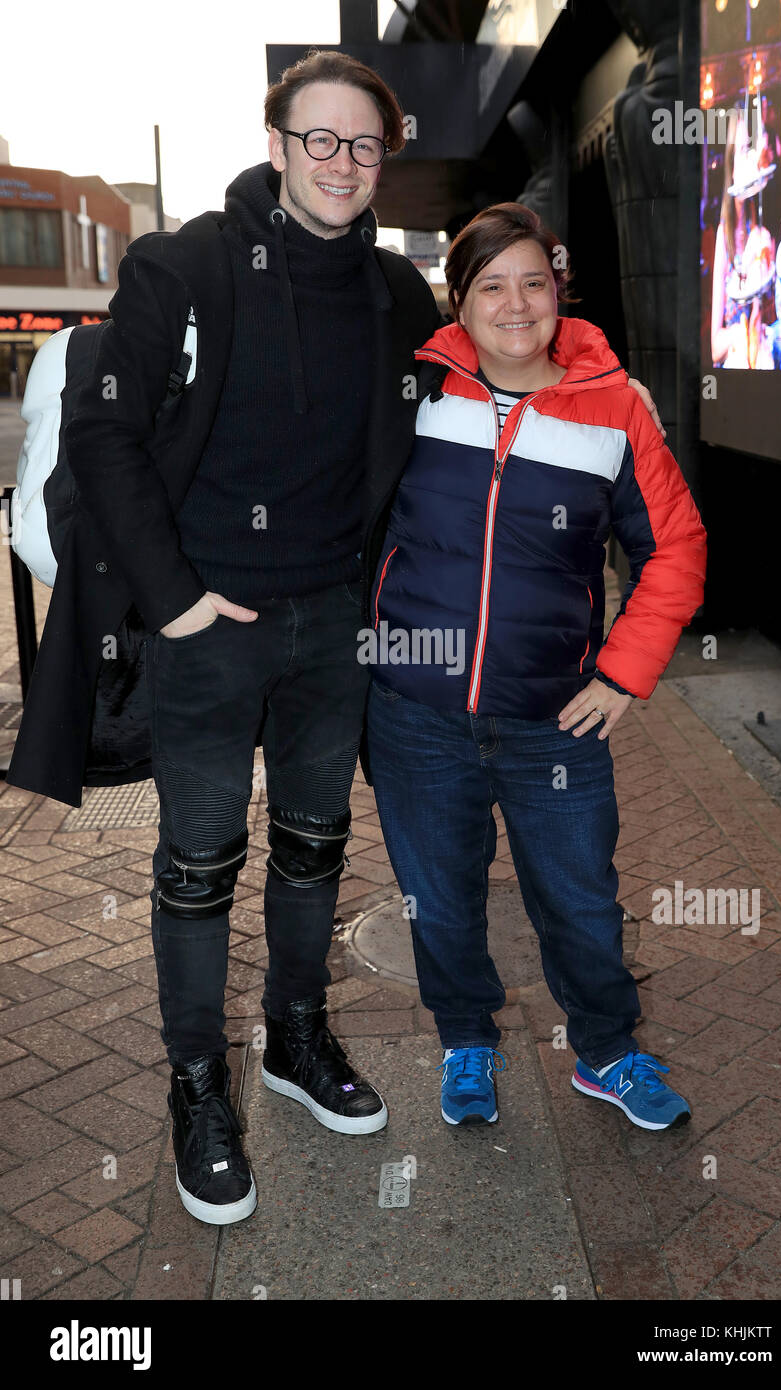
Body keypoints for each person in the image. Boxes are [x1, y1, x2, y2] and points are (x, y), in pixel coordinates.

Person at [8, 52, 664, 1225]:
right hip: (205, 627)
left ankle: (293, 1039)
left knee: (315, 846)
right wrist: (174, 597)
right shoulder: (184, 265)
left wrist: (596, 381)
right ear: (276, 143)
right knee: (200, 862)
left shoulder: (396, 298)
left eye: (365, 146)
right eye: (321, 140)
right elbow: (103, 438)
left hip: (335, 632)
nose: (343, 164)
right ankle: (198, 1084)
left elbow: (506, 365)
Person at [366, 203, 707, 1133]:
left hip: (554, 719)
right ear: (460, 300)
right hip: (414, 710)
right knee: (437, 903)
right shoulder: (416, 393)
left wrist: (624, 675)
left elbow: (674, 549)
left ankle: (606, 1052)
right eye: (491, 285)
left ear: (559, 292)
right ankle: (466, 1042)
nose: (515, 303)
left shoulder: (614, 407)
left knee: (583, 902)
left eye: (533, 282)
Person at [711, 106, 774, 368]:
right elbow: (715, 348)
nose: (747, 160)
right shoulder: (723, 236)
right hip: (733, 372)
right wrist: (738, 332)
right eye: (740, 152)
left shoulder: (761, 234)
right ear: (731, 166)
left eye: (750, 151)